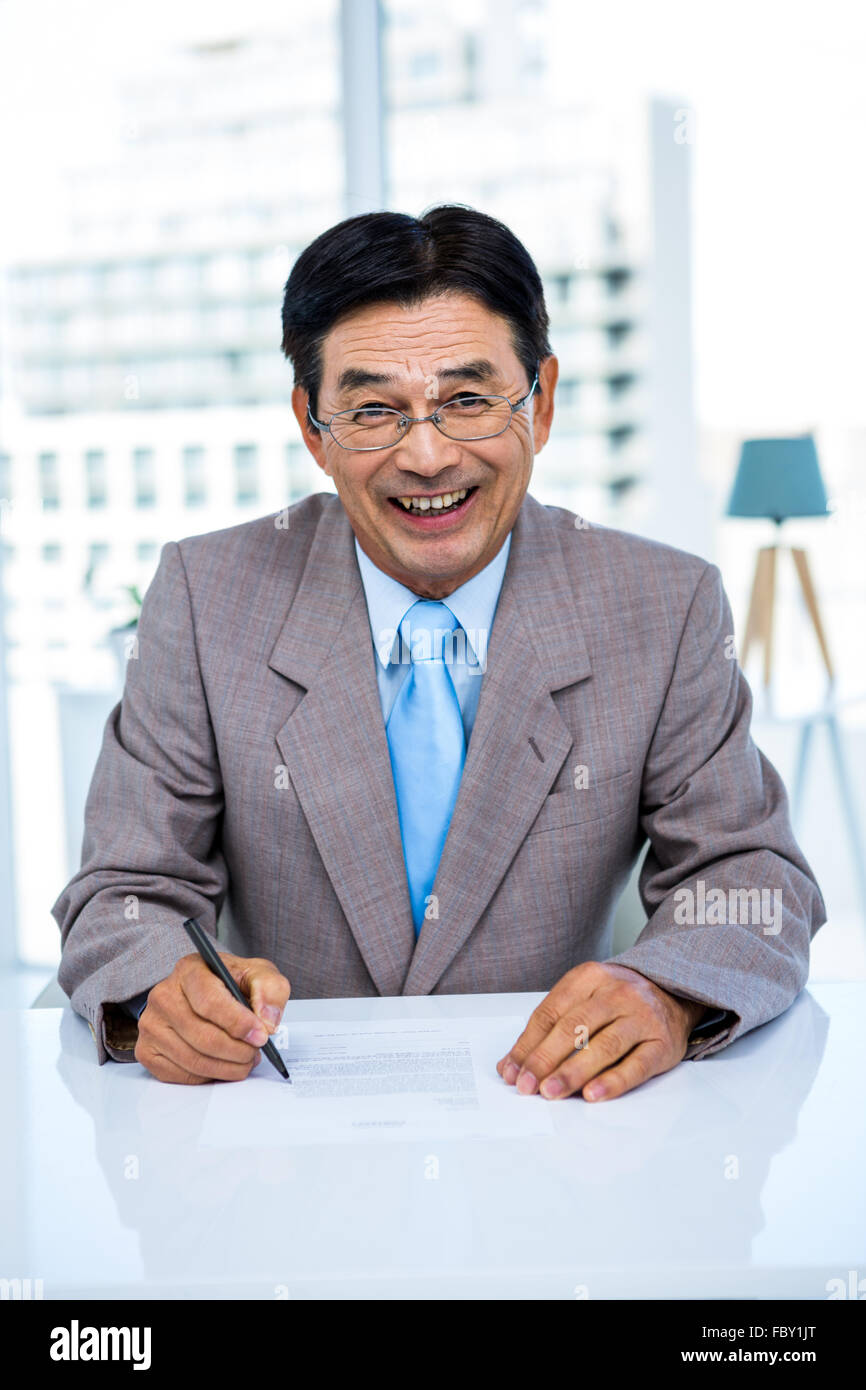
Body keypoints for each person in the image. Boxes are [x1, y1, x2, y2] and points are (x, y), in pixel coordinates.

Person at [51, 204, 826, 1100]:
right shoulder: (203, 596)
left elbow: (750, 876)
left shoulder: (663, 605)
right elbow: (124, 892)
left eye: (467, 399)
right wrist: (161, 992)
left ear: (540, 403)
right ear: (313, 428)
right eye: (374, 409)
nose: (426, 455)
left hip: (560, 1123)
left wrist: (667, 990)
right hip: (276, 1128)